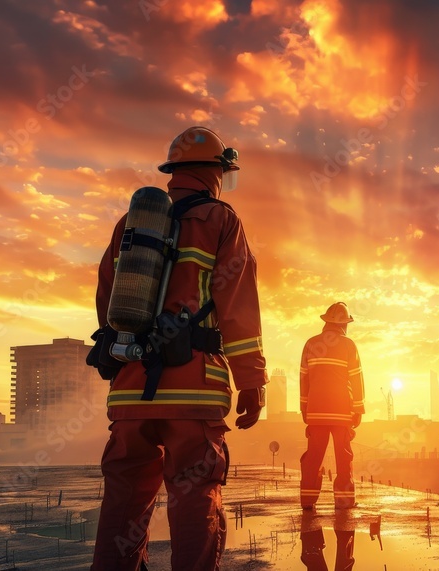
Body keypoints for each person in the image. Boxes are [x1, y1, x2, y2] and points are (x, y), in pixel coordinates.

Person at [90, 126, 268, 571]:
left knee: (124, 502)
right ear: (215, 171)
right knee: (194, 501)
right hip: (194, 390)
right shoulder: (221, 220)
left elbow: (107, 300)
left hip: (131, 388)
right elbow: (238, 310)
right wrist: (251, 380)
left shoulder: (129, 224)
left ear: (173, 172)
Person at [299, 302, 365, 510]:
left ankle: (308, 500)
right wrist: (358, 409)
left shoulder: (311, 344)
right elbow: (356, 379)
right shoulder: (349, 345)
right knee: (343, 456)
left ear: (326, 322)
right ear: (344, 324)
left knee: (314, 456)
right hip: (341, 411)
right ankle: (344, 501)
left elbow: (304, 379)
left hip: (316, 411)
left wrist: (304, 409)